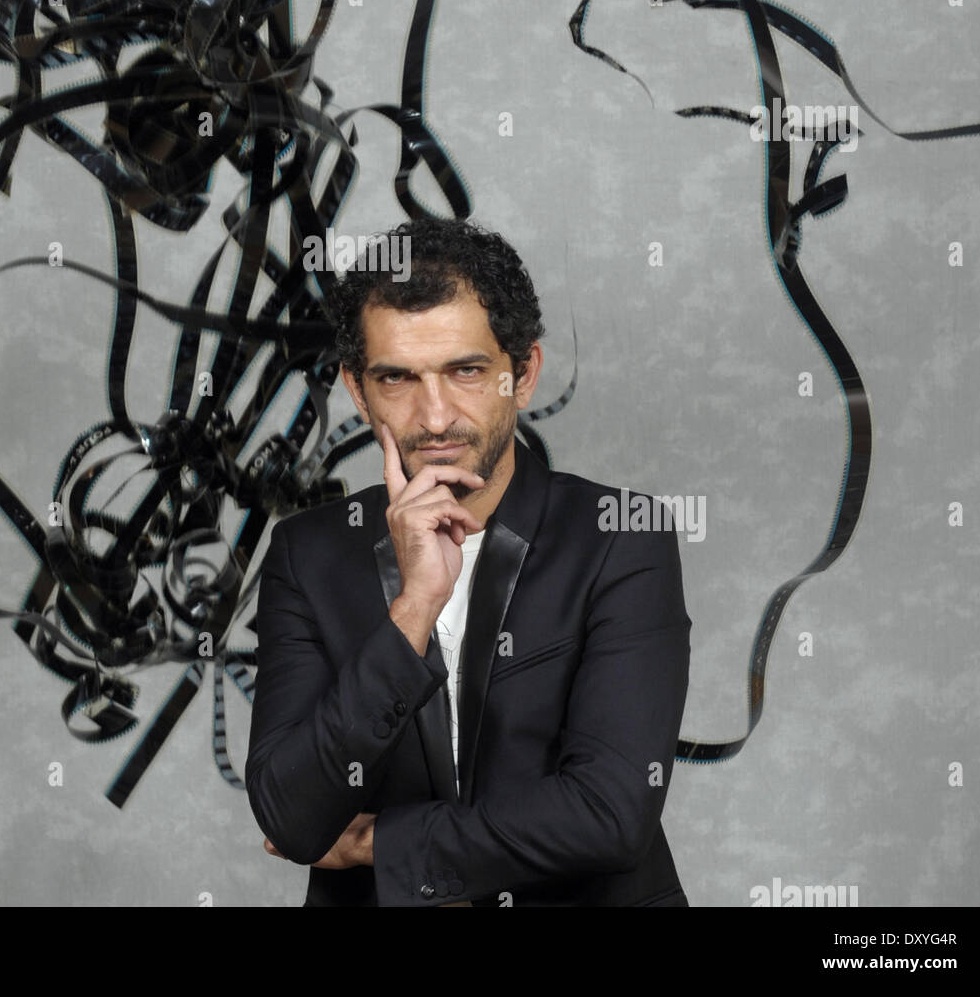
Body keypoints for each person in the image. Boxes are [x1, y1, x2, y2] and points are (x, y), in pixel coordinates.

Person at [245, 217, 690, 906]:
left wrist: (377, 843)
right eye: (397, 379)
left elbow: (609, 816)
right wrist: (414, 607)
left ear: (524, 373)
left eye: (466, 371)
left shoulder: (621, 537)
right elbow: (290, 816)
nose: (434, 417)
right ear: (359, 393)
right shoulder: (307, 555)